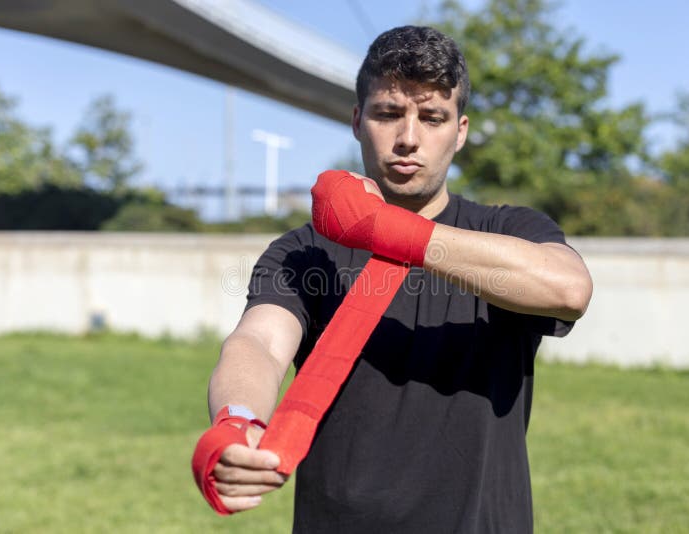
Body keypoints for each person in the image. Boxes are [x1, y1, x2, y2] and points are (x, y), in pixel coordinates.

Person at [195, 25, 593, 532]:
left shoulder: (508, 230)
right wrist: (237, 420)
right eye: (388, 114)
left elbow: (568, 289)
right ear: (358, 120)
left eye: (432, 118)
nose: (409, 138)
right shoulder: (305, 251)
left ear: (461, 130)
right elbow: (258, 344)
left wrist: (384, 229)